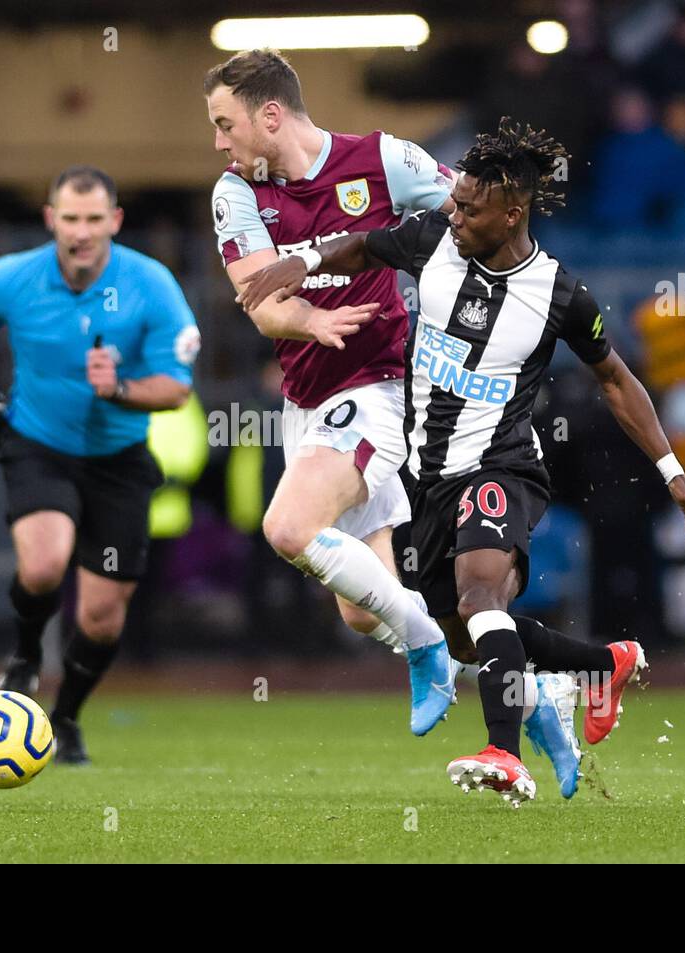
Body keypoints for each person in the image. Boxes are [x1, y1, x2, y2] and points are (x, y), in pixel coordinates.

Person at [238, 119, 685, 804]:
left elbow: (617, 380)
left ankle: (503, 752)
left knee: (478, 594)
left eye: (468, 207)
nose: (451, 213)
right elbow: (363, 246)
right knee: (464, 636)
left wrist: (674, 475)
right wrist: (302, 264)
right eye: (453, 202)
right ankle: (602, 662)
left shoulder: (559, 293)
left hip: (503, 465)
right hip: (429, 475)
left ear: (512, 212)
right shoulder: (434, 242)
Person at [205, 47, 463, 736]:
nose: (219, 142)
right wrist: (311, 318)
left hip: (378, 385)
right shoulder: (235, 191)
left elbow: (472, 212)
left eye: (225, 124)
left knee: (287, 527)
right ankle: (529, 688)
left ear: (269, 115)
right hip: (307, 400)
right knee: (360, 608)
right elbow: (260, 299)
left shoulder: (384, 160)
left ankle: (430, 648)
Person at [0, 165, 200, 764]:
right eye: (70, 218)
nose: (81, 232)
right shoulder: (7, 279)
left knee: (103, 617)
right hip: (38, 445)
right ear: (51, 219)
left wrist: (120, 390)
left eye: (93, 219)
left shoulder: (152, 285)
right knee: (44, 565)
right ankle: (26, 653)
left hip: (118, 457)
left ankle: (67, 718)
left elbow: (176, 390)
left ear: (115, 221)